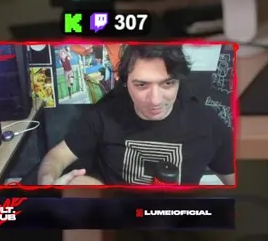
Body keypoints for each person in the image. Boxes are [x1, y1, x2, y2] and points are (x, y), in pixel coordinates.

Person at [36, 44, 235, 186]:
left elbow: (236, 184)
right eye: (141, 85)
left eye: (167, 83)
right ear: (125, 83)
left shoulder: (208, 124)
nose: (155, 100)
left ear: (179, 82)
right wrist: (48, 182)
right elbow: (56, 157)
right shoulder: (104, 114)